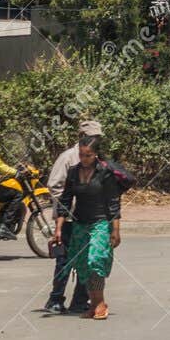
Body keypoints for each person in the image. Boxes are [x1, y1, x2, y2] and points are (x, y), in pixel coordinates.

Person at [54, 139, 125, 320]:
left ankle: (100, 303)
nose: (84, 159)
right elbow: (66, 201)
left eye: (88, 155)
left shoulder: (105, 173)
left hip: (100, 223)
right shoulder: (73, 172)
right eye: (81, 155)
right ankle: (93, 304)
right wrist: (59, 228)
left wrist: (115, 230)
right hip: (80, 223)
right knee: (83, 266)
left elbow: (113, 202)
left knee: (96, 261)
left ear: (95, 155)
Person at [44, 121, 103, 315]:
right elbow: (55, 185)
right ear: (81, 136)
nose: (95, 140)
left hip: (88, 219)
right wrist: (70, 206)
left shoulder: (96, 158)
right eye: (91, 137)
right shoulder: (68, 157)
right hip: (68, 219)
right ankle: (55, 299)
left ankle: (80, 300)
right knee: (64, 260)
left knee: (86, 261)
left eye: (97, 138)